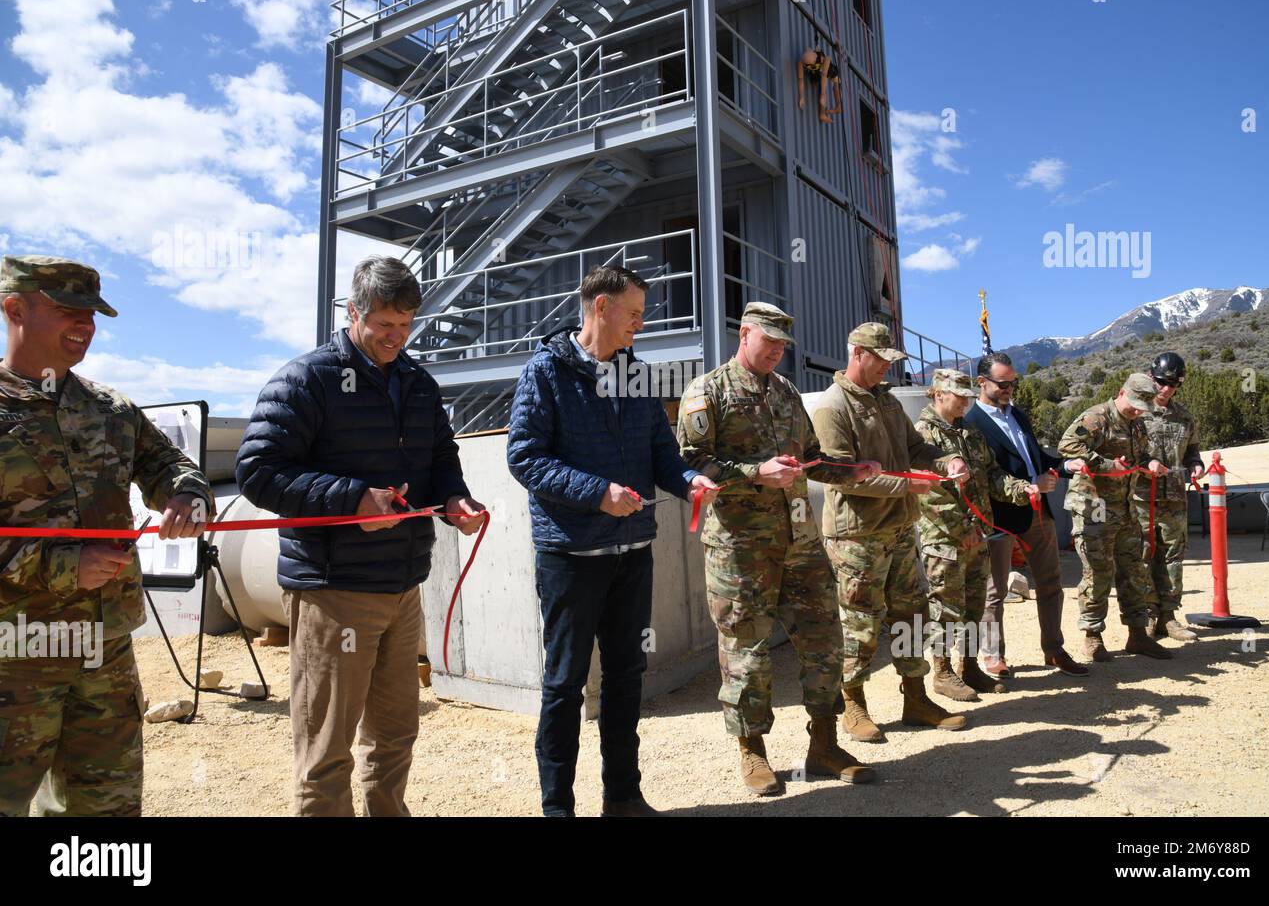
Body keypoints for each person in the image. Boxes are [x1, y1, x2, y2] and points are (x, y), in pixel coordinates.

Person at [236, 256, 486, 817]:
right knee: (327, 749)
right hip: (333, 589)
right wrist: (351, 500)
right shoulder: (308, 378)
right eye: (384, 325)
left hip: (401, 587)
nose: (396, 338)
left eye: (406, 325)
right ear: (353, 312)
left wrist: (454, 500)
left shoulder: (418, 383)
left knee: (395, 736)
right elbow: (258, 470)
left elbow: (441, 456)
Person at [0, 255, 211, 816]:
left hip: (104, 648)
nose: (84, 326)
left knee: (107, 812)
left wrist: (187, 494)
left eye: (92, 314)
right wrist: (63, 566)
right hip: (16, 653)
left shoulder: (111, 410)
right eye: (68, 310)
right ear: (14, 309)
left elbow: (169, 464)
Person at [507, 264, 719, 818]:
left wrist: (688, 479)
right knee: (564, 683)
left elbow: (661, 453)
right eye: (633, 314)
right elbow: (524, 457)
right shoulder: (546, 373)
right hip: (571, 558)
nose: (639, 325)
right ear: (600, 308)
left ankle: (623, 796)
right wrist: (596, 492)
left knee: (627, 678)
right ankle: (559, 807)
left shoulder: (639, 376)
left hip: (631, 554)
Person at [679, 303, 877, 795]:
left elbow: (810, 460)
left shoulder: (786, 391)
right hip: (740, 549)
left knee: (824, 640)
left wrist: (850, 471)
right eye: (769, 342)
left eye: (783, 345)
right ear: (744, 334)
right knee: (747, 651)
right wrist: (755, 474)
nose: (777, 352)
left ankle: (825, 743)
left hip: (800, 543)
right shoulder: (709, 391)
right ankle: (752, 751)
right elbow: (692, 464)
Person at [813, 325, 971, 740]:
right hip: (857, 537)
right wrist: (907, 485)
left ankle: (916, 697)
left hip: (899, 528)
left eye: (890, 360)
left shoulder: (885, 401)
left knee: (911, 615)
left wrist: (946, 460)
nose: (886, 366)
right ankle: (853, 705)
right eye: (880, 358)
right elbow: (843, 476)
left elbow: (916, 448)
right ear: (857, 354)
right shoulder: (833, 406)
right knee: (860, 624)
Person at [913, 369, 1037, 701]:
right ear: (939, 394)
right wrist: (961, 528)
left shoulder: (970, 432)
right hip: (945, 538)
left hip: (977, 533)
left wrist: (1022, 489)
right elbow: (928, 493)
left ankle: (968, 667)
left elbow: (992, 475)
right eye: (960, 396)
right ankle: (942, 673)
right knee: (945, 606)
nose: (967, 401)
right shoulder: (924, 435)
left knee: (973, 603)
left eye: (969, 395)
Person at [966, 352, 1090, 678]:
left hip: (1037, 514)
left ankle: (1054, 649)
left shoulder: (1017, 415)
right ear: (982, 382)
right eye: (1003, 384)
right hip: (999, 518)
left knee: (1051, 583)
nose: (1010, 389)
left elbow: (1036, 457)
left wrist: (1064, 466)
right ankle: (993, 656)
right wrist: (1032, 484)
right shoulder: (972, 424)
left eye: (1013, 383)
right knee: (995, 591)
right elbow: (985, 477)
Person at [1057, 373, 1171, 662]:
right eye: (1132, 405)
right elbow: (1068, 446)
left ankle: (1137, 635)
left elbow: (1139, 456)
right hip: (1094, 508)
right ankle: (1093, 637)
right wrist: (1105, 464)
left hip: (1125, 508)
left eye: (1141, 408)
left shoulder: (1137, 424)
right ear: (1121, 392)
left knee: (1134, 570)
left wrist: (1150, 463)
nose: (1135, 411)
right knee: (1097, 573)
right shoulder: (1096, 417)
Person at [1138, 353, 1204, 642]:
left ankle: (1169, 617)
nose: (1166, 390)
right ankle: (1148, 616)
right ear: (1151, 378)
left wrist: (1196, 465)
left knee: (1173, 558)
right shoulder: (1136, 414)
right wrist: (1145, 462)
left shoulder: (1185, 417)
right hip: (1141, 498)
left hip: (1175, 498)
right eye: (1162, 383)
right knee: (1143, 557)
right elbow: (1124, 451)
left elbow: (1192, 450)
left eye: (1173, 385)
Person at [797, 46, 842, 123]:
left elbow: (824, 77)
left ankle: (838, 106)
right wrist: (801, 96)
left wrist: (823, 94)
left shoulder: (825, 59)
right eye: (806, 65)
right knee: (825, 89)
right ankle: (822, 114)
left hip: (823, 72)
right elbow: (800, 79)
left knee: (836, 81)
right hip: (815, 75)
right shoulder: (801, 63)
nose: (807, 66)